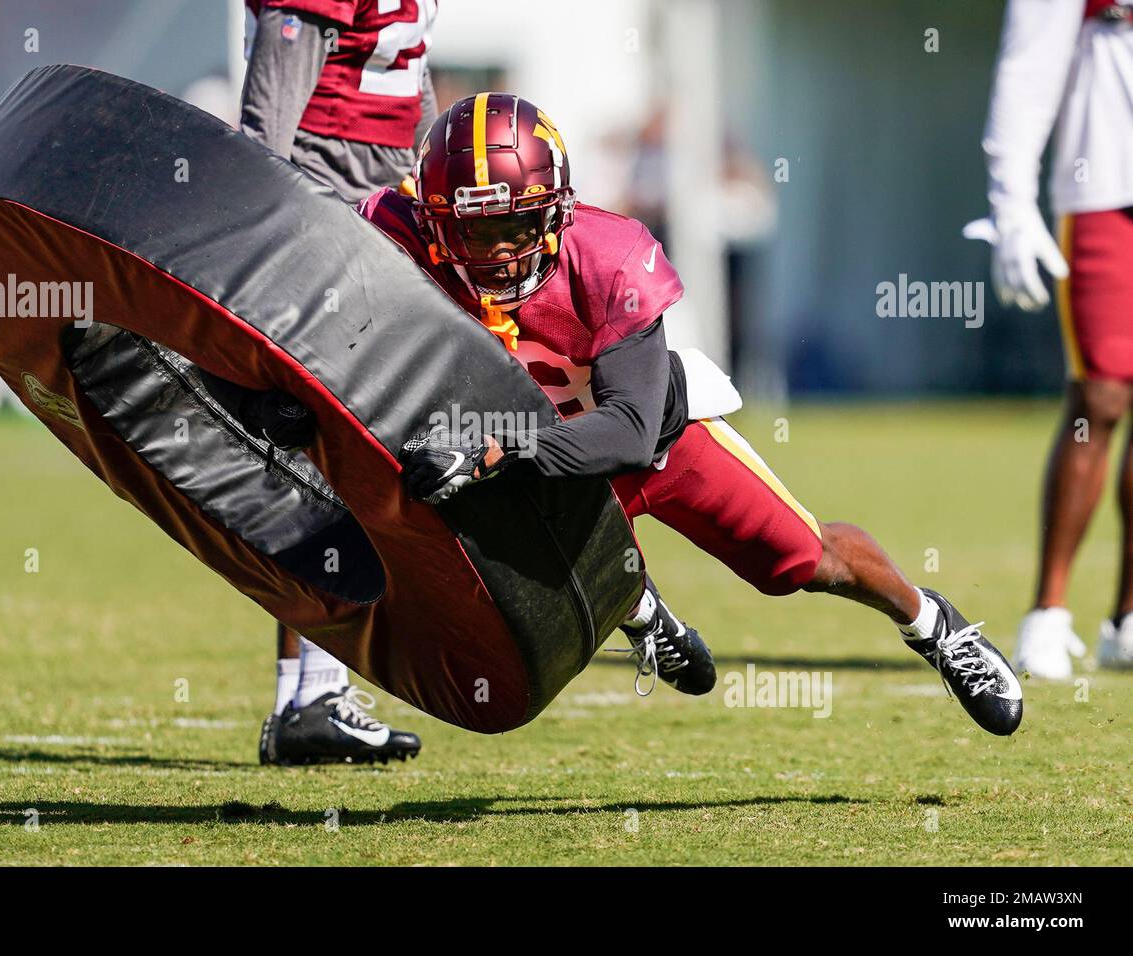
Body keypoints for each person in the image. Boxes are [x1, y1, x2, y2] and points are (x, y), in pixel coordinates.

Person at [368, 93, 1023, 736]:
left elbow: (628, 431)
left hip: (658, 445)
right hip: (541, 471)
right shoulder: (394, 235)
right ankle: (637, 606)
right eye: (472, 230)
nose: (496, 253)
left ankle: (935, 627)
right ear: (433, 221)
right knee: (489, 569)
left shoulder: (609, 257)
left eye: (514, 226)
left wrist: (500, 447)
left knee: (802, 561)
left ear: (558, 210)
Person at [239, 0, 441, 764]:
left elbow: (410, 85)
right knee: (337, 451)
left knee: (332, 454)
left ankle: (308, 693)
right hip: (326, 201)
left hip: (372, 203)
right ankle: (314, 693)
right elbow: (266, 127)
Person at [966, 0, 1133, 678]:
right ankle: (1048, 610)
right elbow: (1028, 65)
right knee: (1102, 393)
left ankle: (1126, 617)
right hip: (1105, 182)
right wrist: (1010, 200)